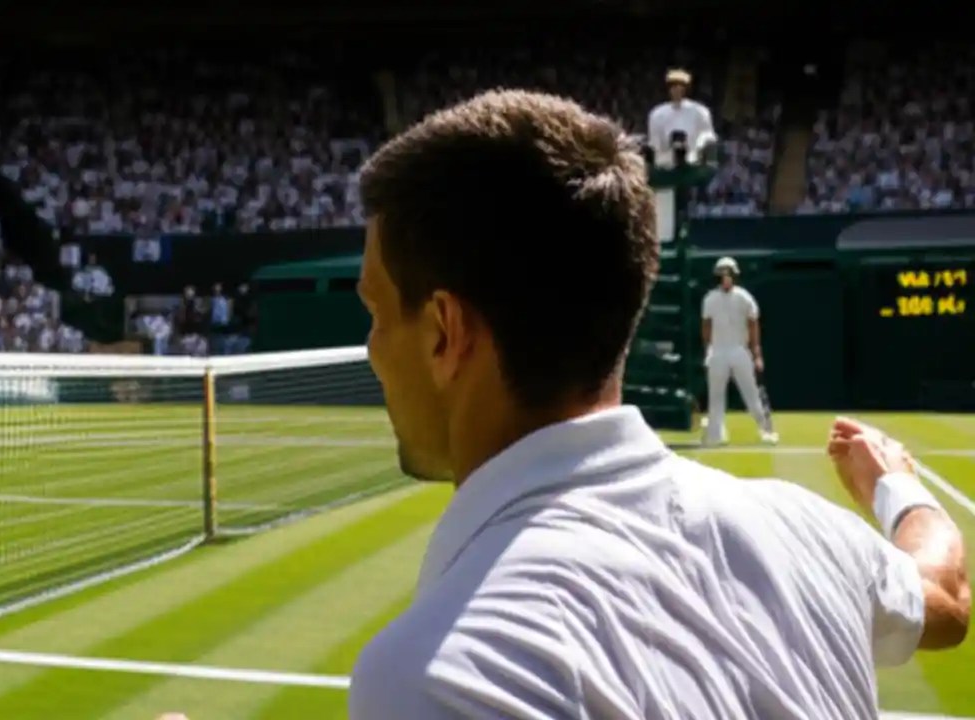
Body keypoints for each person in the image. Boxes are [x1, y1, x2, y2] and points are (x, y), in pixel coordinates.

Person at [347, 90, 968, 719]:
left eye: (375, 313)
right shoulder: (814, 531)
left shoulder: (431, 680)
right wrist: (895, 487)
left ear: (444, 332)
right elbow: (946, 593)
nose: (370, 348)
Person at [701, 256, 778, 446]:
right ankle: (716, 435)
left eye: (728, 274)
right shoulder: (710, 299)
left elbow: (753, 325)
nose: (725, 278)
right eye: (722, 274)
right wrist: (708, 351)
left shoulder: (744, 297)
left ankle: (766, 430)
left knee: (751, 393)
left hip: (739, 350)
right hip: (718, 352)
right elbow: (706, 327)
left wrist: (756, 353)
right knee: (716, 395)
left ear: (734, 276)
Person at [646, 68, 717, 165]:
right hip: (665, 163)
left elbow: (708, 135)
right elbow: (654, 141)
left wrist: (697, 146)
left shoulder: (700, 111)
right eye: (674, 86)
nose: (677, 90)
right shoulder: (657, 113)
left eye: (681, 87)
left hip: (693, 161)